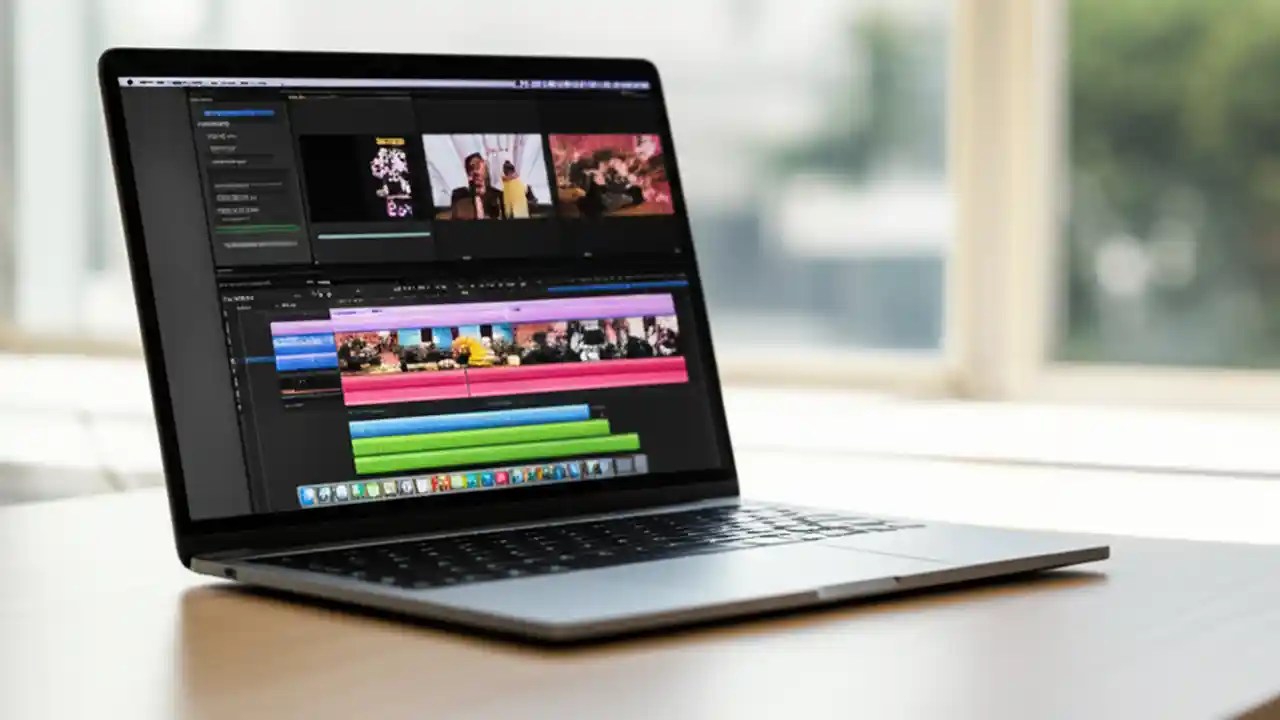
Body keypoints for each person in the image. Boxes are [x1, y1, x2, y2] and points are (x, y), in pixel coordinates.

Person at [449, 152, 504, 219]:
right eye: (470, 168)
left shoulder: (497, 195)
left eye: (478, 165)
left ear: (485, 166)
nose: (475, 171)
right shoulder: (459, 196)